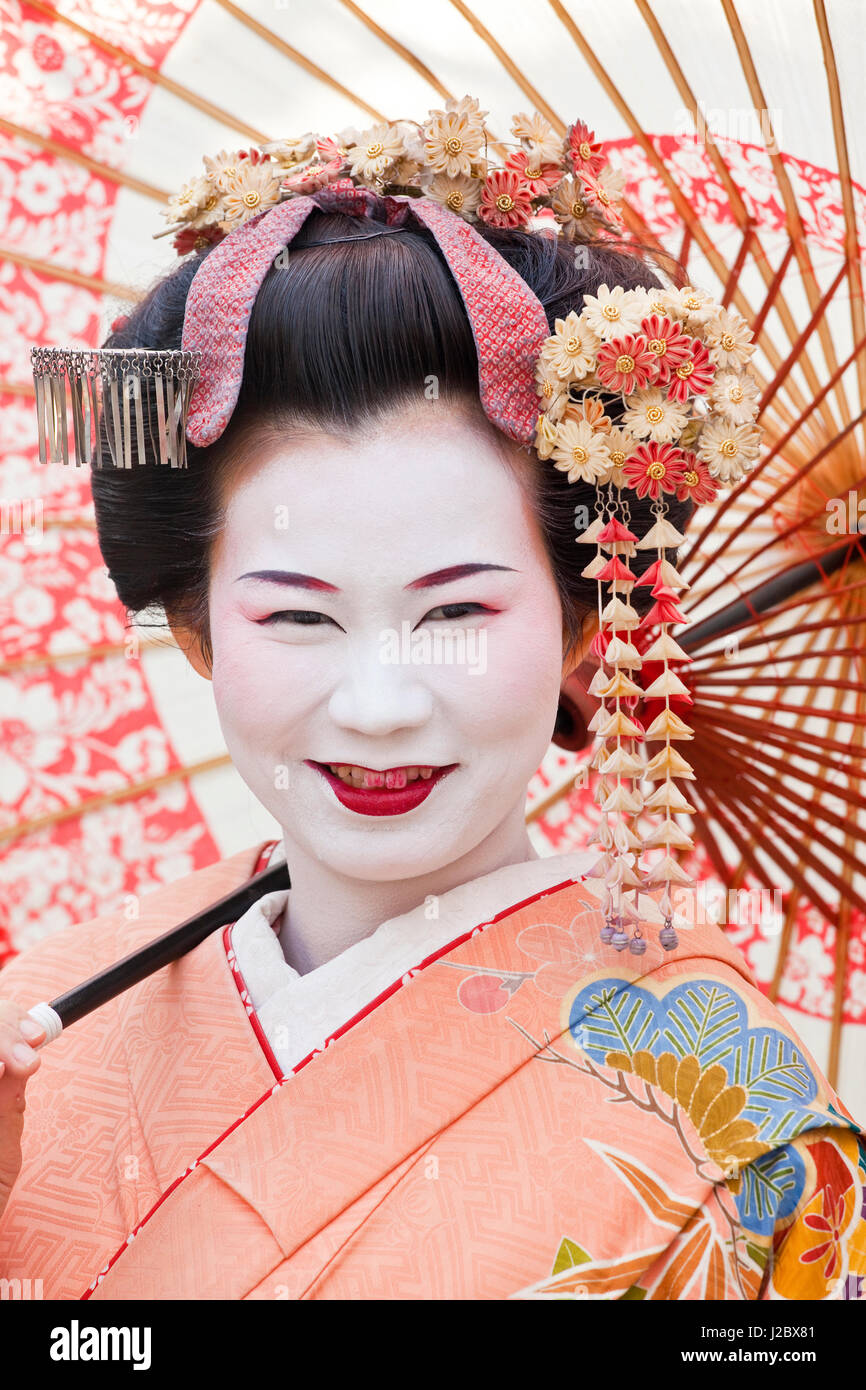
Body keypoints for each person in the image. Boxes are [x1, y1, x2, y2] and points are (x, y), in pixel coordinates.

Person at [2, 108, 865, 1301]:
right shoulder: (43, 1019)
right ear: (194, 624)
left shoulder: (741, 1122)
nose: (378, 705)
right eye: (294, 616)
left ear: (582, 622)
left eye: (457, 613)